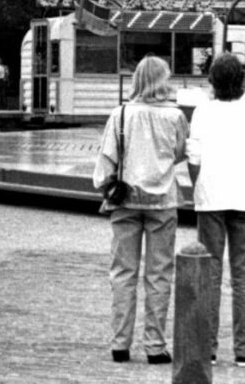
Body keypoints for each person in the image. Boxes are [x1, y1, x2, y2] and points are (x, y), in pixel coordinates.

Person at [91, 54, 187, 366]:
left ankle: (120, 344)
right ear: (163, 81)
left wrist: (110, 184)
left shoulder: (120, 115)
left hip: (125, 202)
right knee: (159, 275)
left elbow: (105, 164)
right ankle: (155, 346)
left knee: (122, 273)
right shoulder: (175, 117)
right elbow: (179, 153)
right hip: (162, 203)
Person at [187, 52, 245, 369]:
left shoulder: (202, 112)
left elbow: (193, 158)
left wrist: (201, 187)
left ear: (212, 81)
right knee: (243, 274)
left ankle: (209, 347)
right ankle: (243, 350)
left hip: (210, 198)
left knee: (210, 275)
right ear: (242, 79)